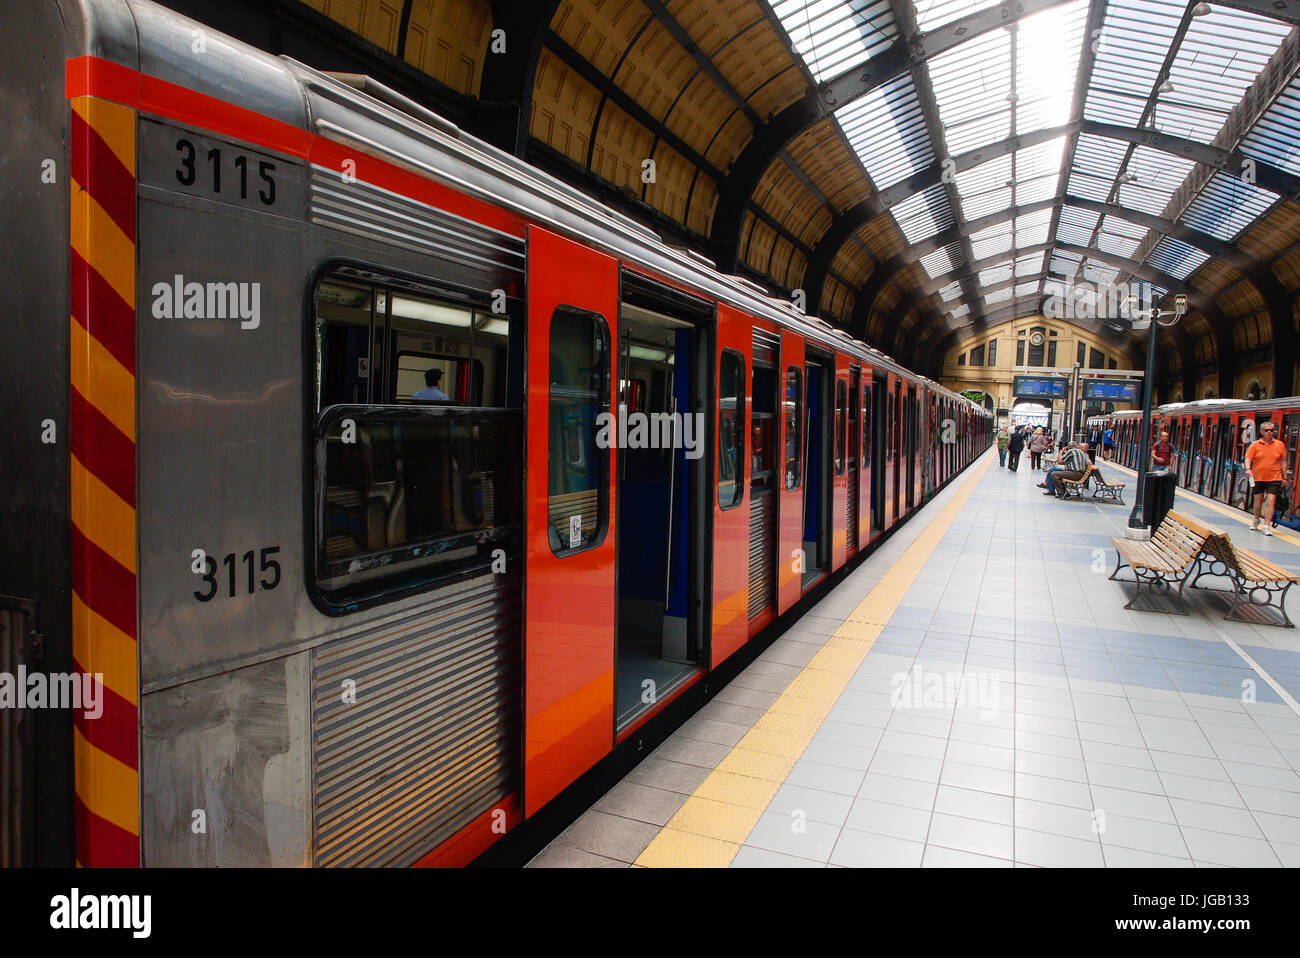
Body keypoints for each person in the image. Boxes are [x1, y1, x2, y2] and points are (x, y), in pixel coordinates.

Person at [1246, 421, 1289, 536]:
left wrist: (1285, 478)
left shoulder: (1279, 445)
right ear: (1261, 432)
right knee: (1258, 502)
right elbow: (1248, 459)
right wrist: (1248, 469)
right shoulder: (1255, 445)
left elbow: (1283, 462)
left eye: (1272, 430)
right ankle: (1256, 519)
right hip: (1258, 477)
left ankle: (1267, 525)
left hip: (1274, 478)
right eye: (1267, 430)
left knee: (1271, 501)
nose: (1270, 432)